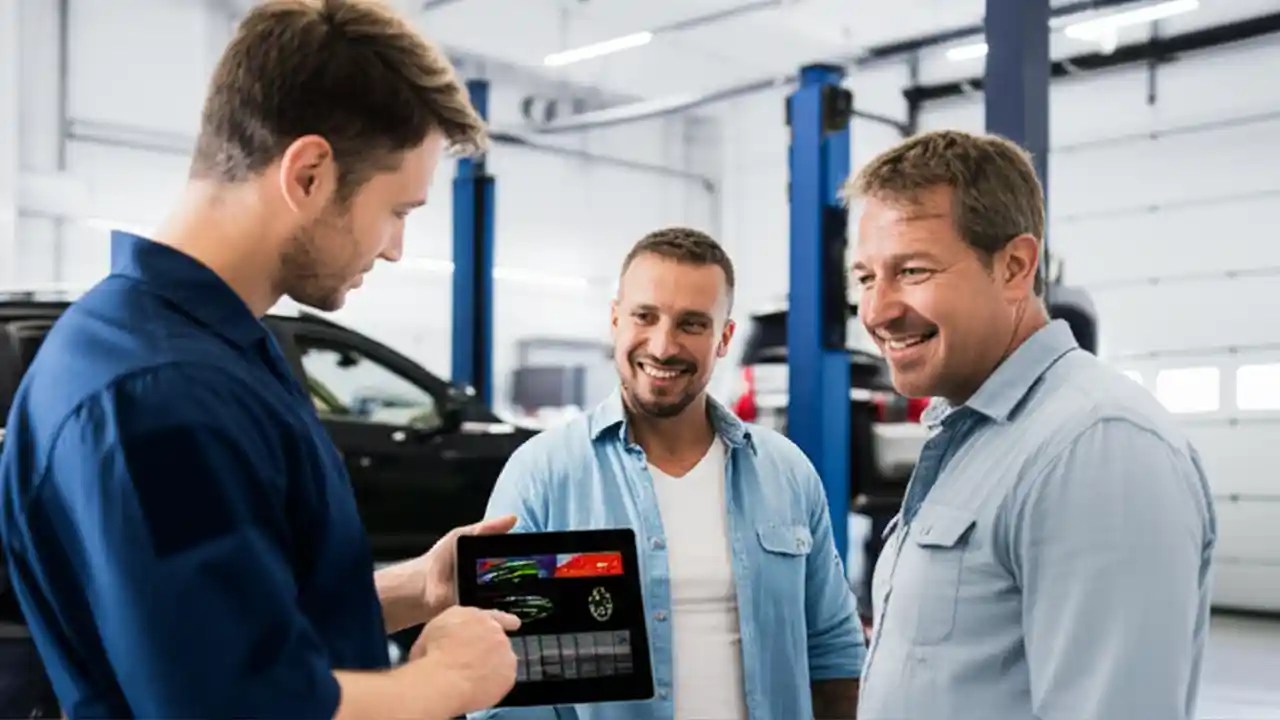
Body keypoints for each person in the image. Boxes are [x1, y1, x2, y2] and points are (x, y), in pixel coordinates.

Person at [0, 1, 524, 717]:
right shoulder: (158, 394)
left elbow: (228, 626)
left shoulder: (200, 346)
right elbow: (238, 704)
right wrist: (443, 683)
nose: (397, 247)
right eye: (399, 210)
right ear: (308, 173)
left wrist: (417, 590)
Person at [846, 129, 1217, 720]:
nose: (877, 310)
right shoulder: (973, 433)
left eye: (912, 271)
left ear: (1015, 267)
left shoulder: (1095, 447)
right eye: (866, 277)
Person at [472, 228, 866, 720]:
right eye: (645, 316)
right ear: (615, 319)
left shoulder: (785, 472)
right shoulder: (543, 474)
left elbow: (832, 648)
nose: (663, 345)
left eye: (692, 324)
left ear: (723, 339)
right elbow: (503, 679)